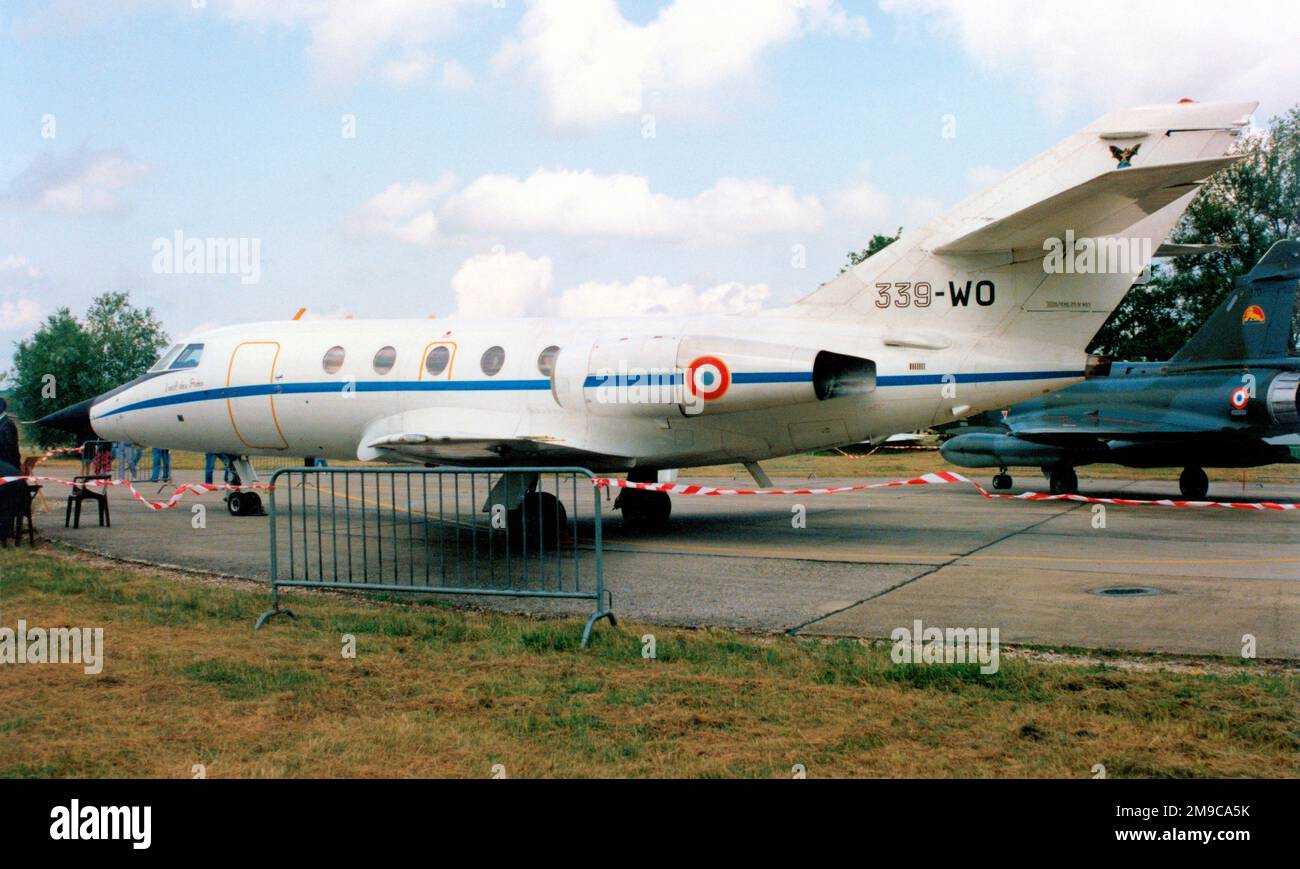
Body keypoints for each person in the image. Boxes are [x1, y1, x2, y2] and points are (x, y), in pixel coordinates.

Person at [0, 399, 24, 545]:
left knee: (6, 502)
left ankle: (6, 531)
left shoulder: (7, 425)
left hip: (8, 468)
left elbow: (9, 448)